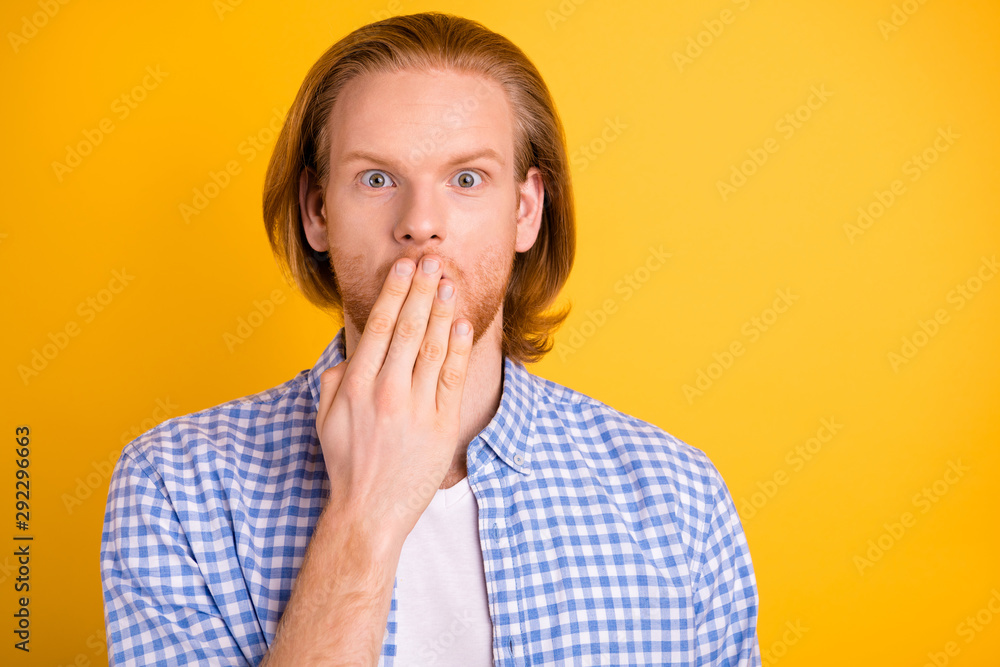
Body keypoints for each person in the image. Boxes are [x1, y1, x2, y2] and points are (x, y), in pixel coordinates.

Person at [101, 12, 761, 666]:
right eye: (377, 178)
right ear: (317, 211)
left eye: (467, 179)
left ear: (525, 210)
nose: (420, 223)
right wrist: (365, 512)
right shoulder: (176, 489)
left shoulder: (680, 501)